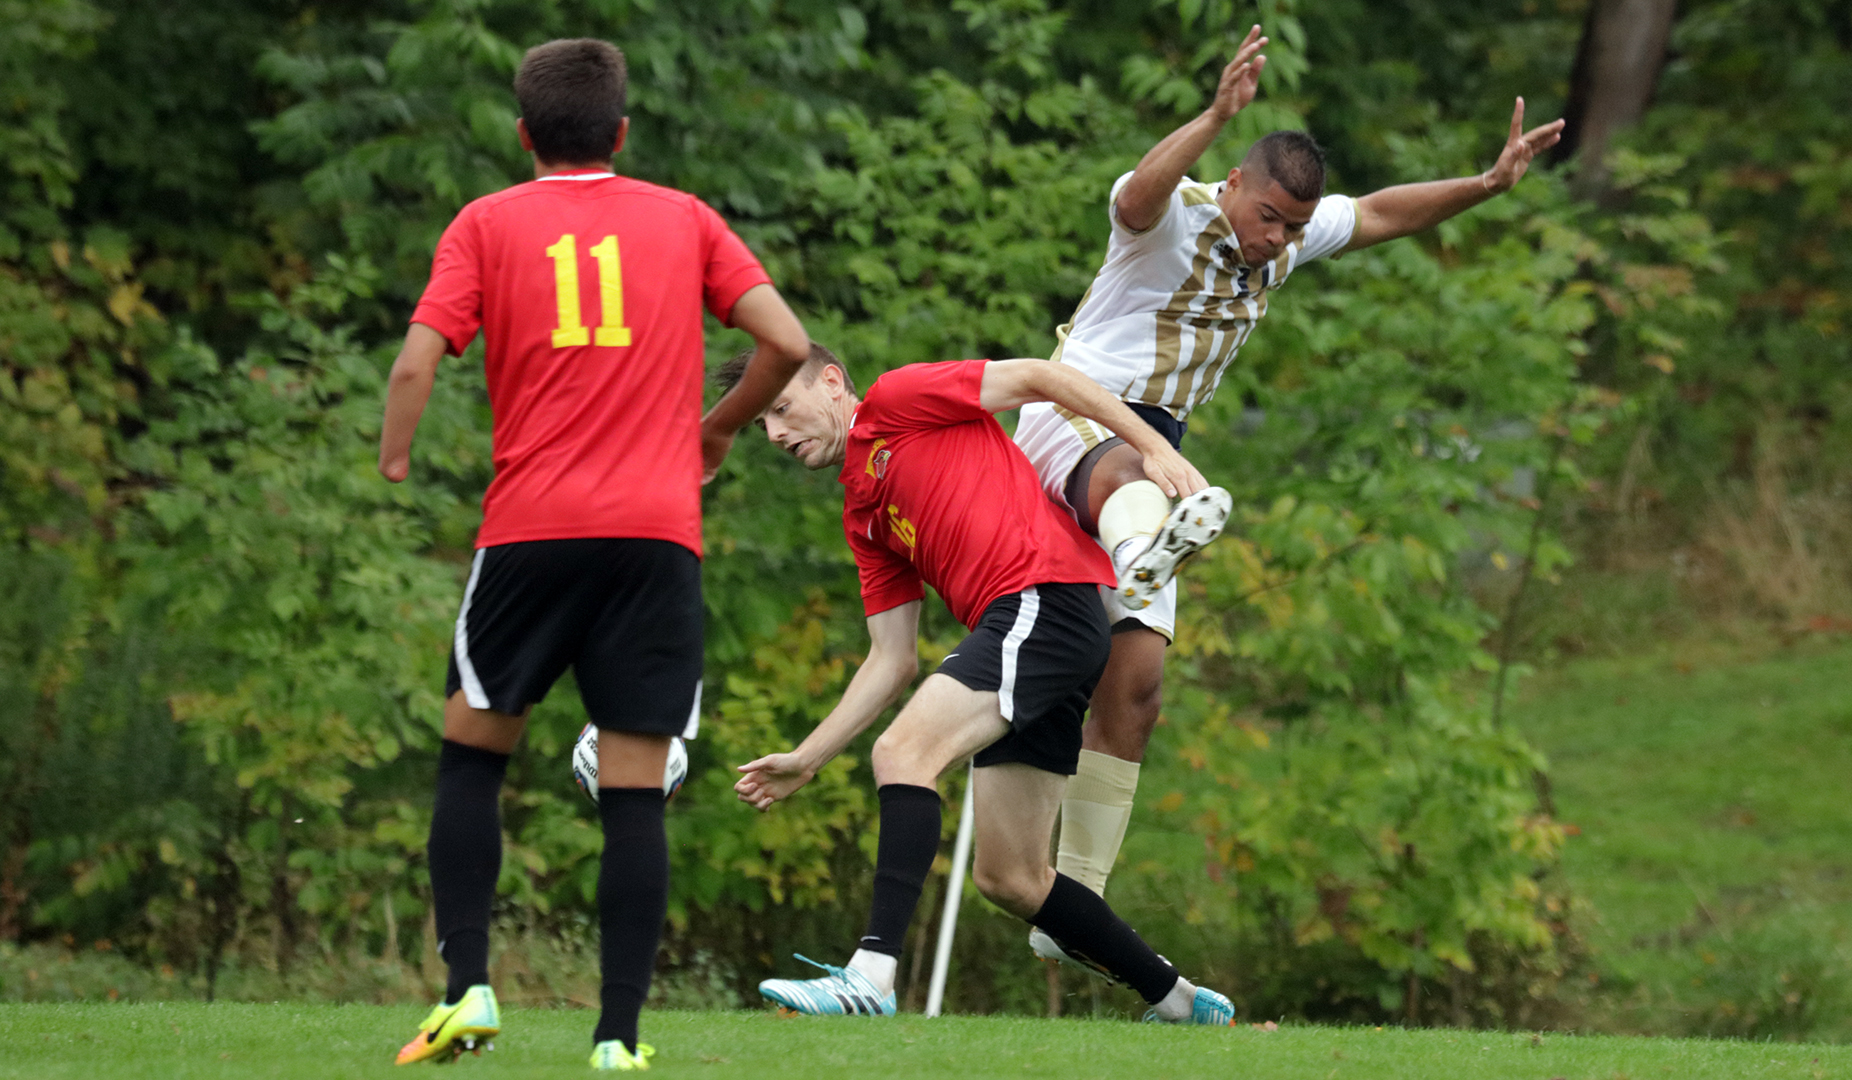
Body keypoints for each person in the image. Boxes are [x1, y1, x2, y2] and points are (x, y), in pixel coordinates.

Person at [1014, 24, 1566, 971]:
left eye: (1292, 227)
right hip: (1075, 411)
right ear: (1233, 183)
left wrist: (1485, 184)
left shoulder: (1284, 246)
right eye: (1266, 215)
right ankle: (1144, 545)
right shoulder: (1173, 217)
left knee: (1136, 689)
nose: (1275, 237)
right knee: (1131, 482)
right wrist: (1213, 114)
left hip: (1161, 458)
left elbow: (1382, 212)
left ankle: (1073, 902)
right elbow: (1137, 193)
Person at [376, 38, 810, 1071]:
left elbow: (415, 362)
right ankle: (617, 1039)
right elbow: (788, 343)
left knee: (471, 760)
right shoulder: (685, 218)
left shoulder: (486, 223)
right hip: (655, 538)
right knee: (633, 791)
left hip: (529, 532)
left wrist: (395, 458)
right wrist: (717, 428)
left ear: (523, 133)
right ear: (621, 131)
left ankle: (467, 991)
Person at [716, 346, 1235, 1024]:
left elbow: (1040, 377)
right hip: (1045, 631)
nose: (775, 433)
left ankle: (870, 977)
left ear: (834, 383)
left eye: (781, 409)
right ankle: (1182, 1004)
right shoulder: (864, 516)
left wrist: (1152, 447)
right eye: (762, 423)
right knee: (1010, 878)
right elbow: (890, 659)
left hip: (1043, 601)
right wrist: (805, 759)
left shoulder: (899, 400)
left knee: (903, 753)